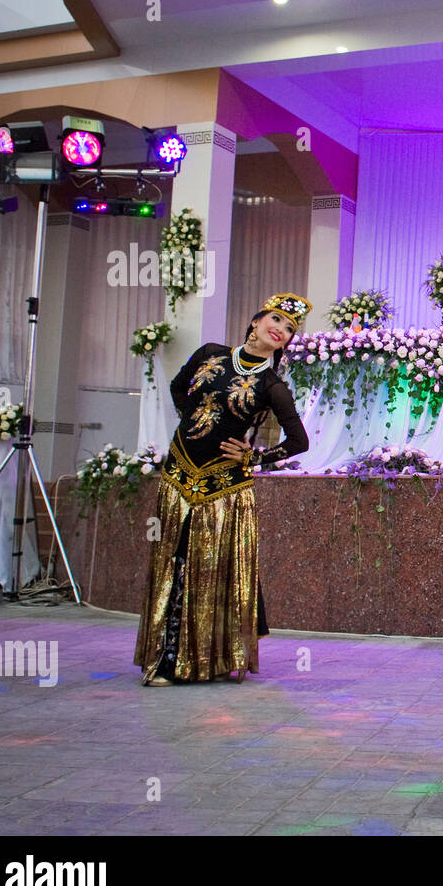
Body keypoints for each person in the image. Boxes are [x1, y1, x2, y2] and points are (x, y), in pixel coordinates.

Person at [134, 293, 311, 685]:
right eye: (277, 320)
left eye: (289, 330)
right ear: (256, 320)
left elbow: (299, 441)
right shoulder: (210, 353)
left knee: (207, 569)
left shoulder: (271, 385)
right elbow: (179, 388)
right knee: (172, 565)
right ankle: (167, 656)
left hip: (223, 490)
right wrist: (197, 422)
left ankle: (196, 660)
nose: (281, 330)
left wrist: (252, 458)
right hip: (178, 474)